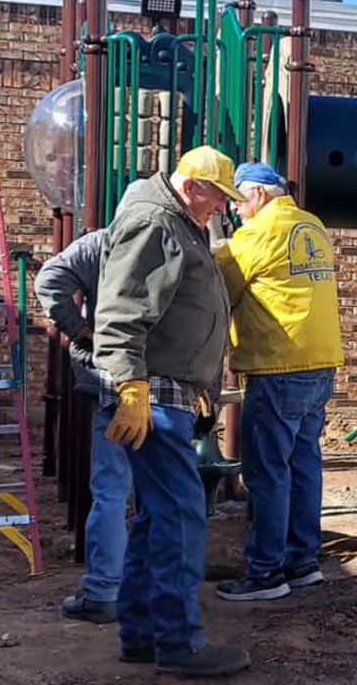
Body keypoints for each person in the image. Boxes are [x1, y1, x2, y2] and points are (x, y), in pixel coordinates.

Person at [94, 146, 248, 678]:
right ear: (193, 188)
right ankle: (179, 642)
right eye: (218, 199)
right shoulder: (156, 222)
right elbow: (121, 309)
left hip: (166, 391)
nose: (220, 210)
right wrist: (131, 386)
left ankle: (142, 634)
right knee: (182, 513)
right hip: (152, 395)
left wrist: (198, 380)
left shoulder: (177, 222)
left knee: (159, 514)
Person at [213, 162, 343, 603]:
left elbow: (218, 290)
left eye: (238, 202)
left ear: (261, 195)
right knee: (304, 464)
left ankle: (266, 571)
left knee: (267, 471)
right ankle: (303, 560)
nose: (236, 213)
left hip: (277, 366)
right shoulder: (312, 225)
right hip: (320, 364)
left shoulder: (257, 233)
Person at [34, 226, 124, 624]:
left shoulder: (102, 242)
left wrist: (80, 333)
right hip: (165, 385)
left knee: (111, 490)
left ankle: (105, 590)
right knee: (163, 494)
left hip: (111, 382)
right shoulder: (177, 238)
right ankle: (155, 590)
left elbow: (50, 279)